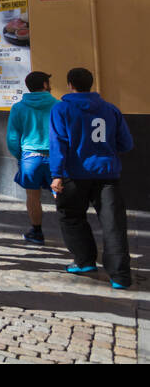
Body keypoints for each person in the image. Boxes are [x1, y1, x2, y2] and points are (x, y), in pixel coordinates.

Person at [49, 67, 133, 289]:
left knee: (71, 217)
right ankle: (120, 276)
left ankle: (84, 260)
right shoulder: (111, 109)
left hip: (74, 174)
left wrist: (56, 175)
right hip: (107, 174)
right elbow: (126, 143)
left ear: (70, 85)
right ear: (91, 84)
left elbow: (58, 144)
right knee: (113, 224)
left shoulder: (61, 109)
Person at [7, 70, 58, 245]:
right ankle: (71, 230)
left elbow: (13, 138)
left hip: (30, 158)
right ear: (44, 85)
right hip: (55, 158)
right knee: (60, 194)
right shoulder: (57, 106)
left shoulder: (19, 107)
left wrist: (20, 156)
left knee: (32, 196)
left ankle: (37, 232)